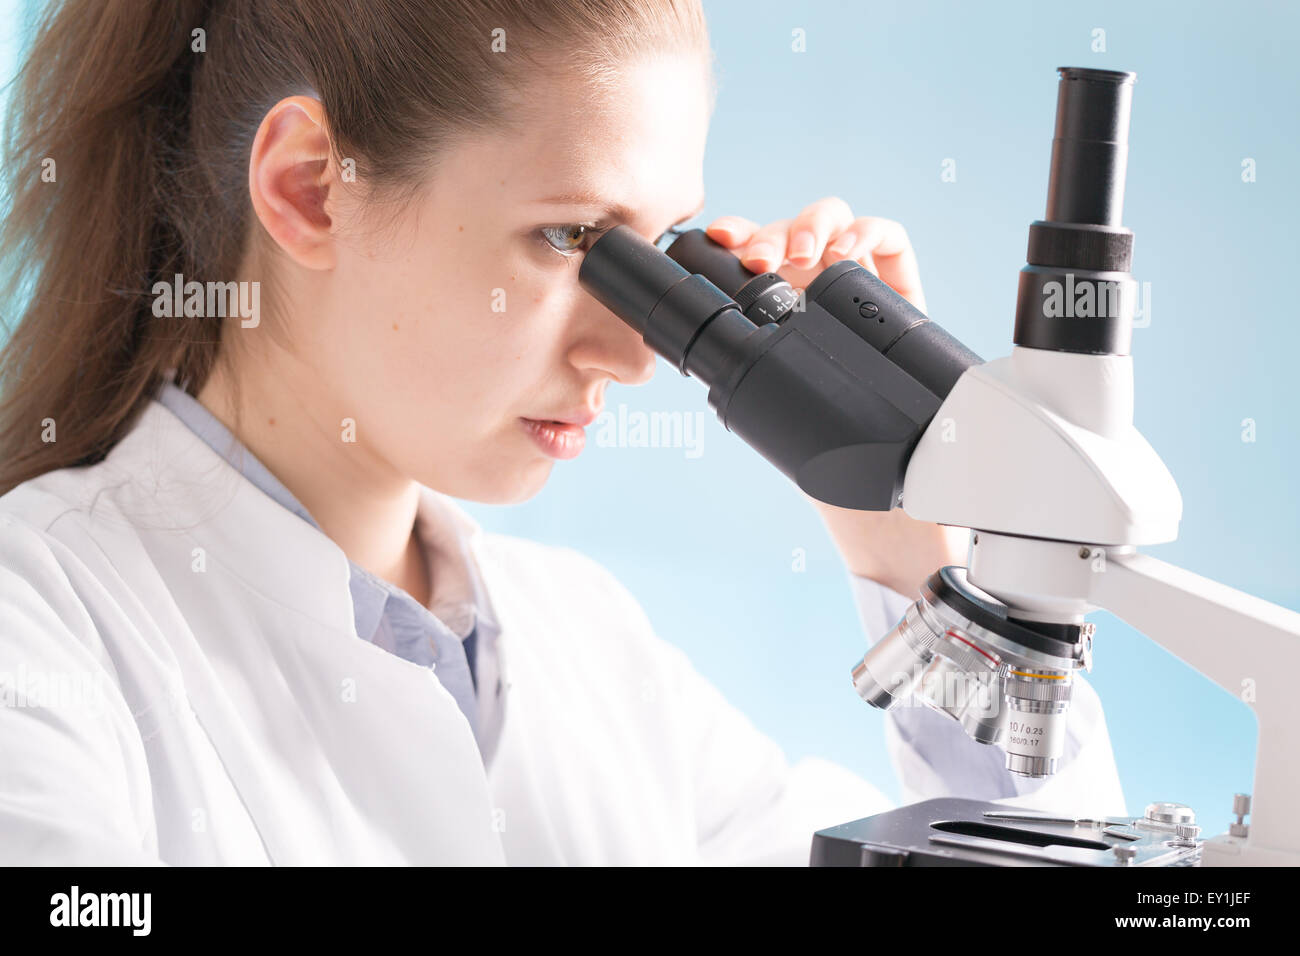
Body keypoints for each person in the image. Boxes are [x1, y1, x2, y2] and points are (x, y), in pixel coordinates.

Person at [0, 0, 1124, 865]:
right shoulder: (38, 632)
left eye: (663, 249)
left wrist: (912, 557)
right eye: (568, 235)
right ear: (308, 188)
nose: (635, 351)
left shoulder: (591, 648)